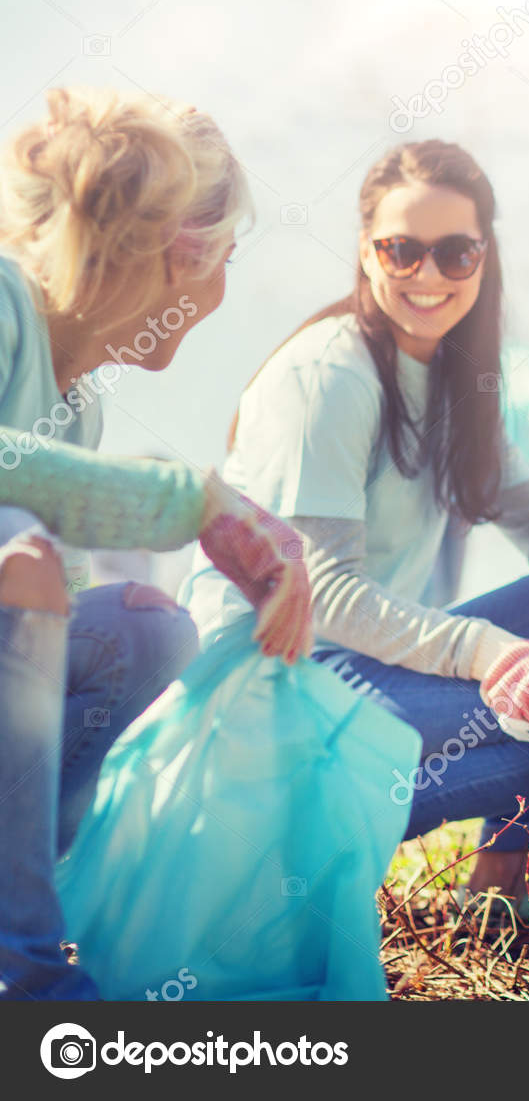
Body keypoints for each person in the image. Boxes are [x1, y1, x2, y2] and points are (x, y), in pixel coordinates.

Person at [182, 140, 529, 910]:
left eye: (455, 252)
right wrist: (489, 653)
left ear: (485, 255)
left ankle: (501, 893)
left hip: (365, 682)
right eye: (401, 250)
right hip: (272, 707)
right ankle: (295, 848)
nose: (428, 276)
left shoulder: (456, 384)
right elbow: (327, 593)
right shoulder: (329, 378)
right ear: (367, 250)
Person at [0, 89, 313, 1000]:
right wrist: (195, 502)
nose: (221, 289)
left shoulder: (81, 402)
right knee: (17, 547)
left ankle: (52, 900)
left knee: (147, 626)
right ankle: (19, 973)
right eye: (224, 259)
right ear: (182, 252)